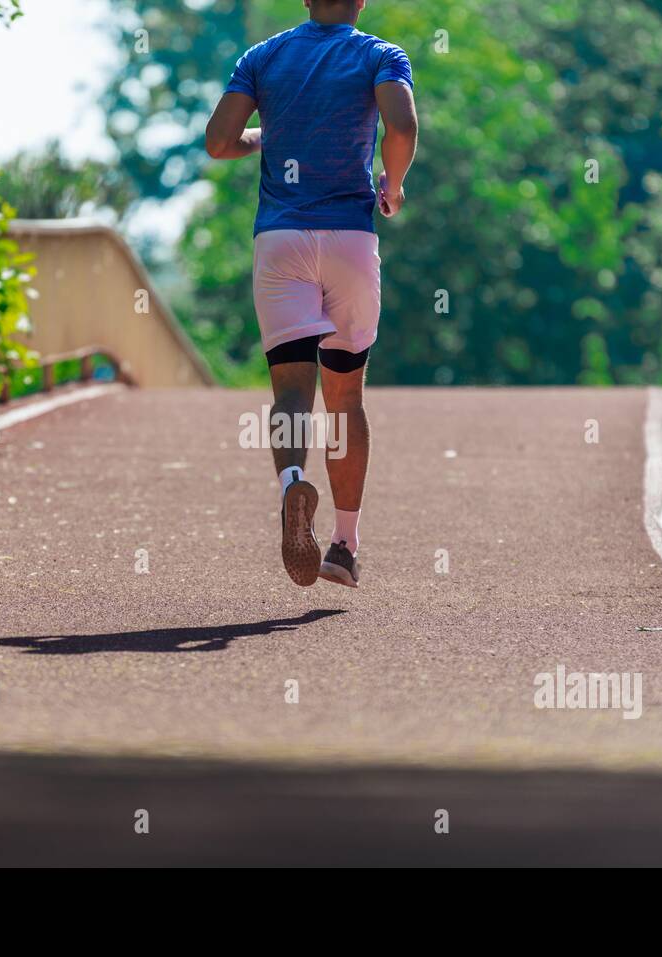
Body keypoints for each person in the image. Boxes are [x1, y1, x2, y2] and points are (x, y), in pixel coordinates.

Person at [204, 0, 418, 588]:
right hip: (350, 237)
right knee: (344, 397)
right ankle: (344, 545)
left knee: (292, 391)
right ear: (361, 1)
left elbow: (219, 142)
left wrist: (263, 135)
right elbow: (400, 126)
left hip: (281, 240)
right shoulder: (379, 54)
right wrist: (393, 187)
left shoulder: (263, 56)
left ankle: (293, 483)